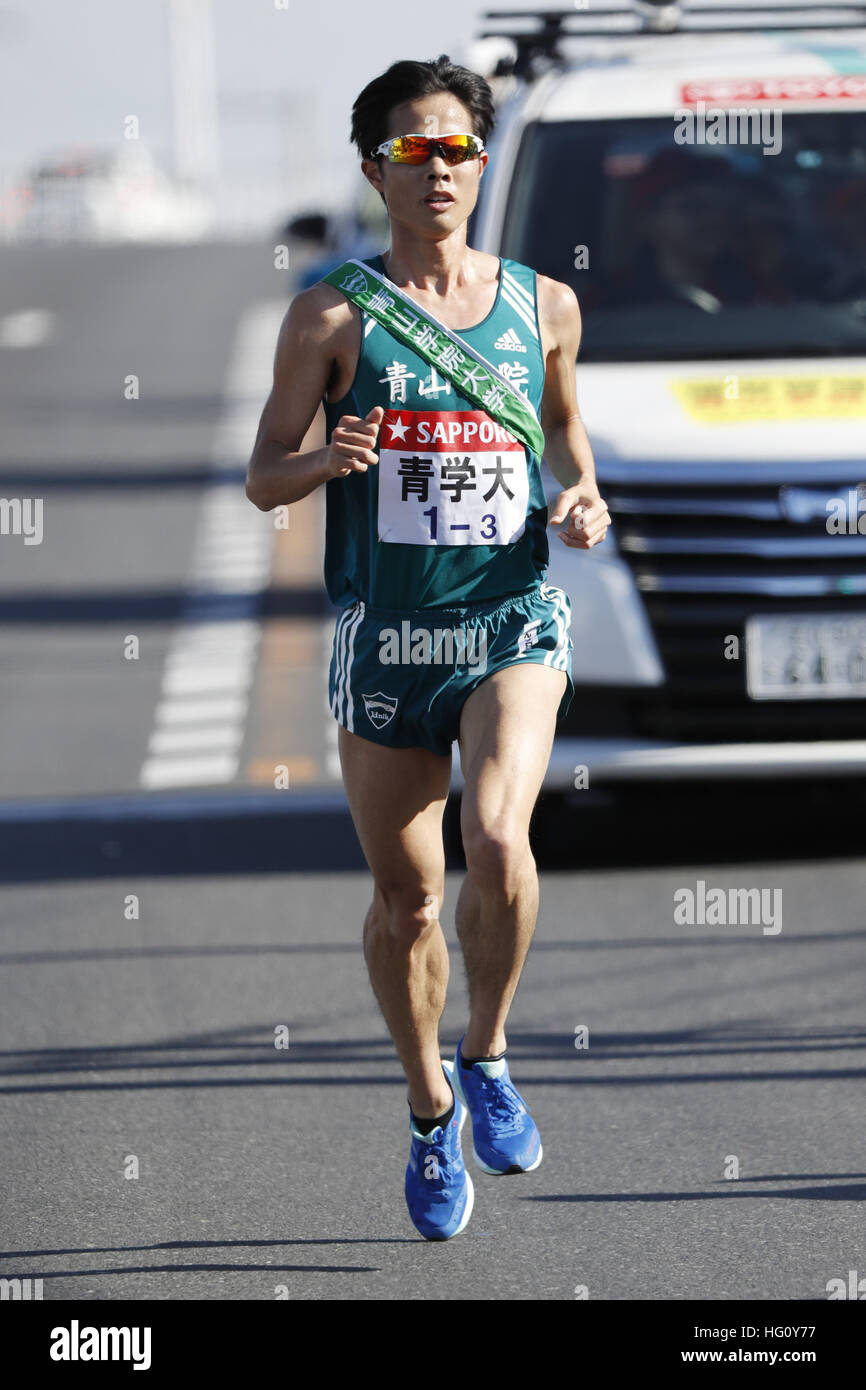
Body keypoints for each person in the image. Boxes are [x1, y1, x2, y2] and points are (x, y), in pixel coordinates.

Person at [246, 54, 610, 1241]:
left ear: (480, 161)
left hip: (508, 616)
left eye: (456, 148)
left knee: (496, 838)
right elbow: (263, 475)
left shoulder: (542, 304)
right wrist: (325, 462)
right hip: (387, 636)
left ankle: (491, 1053)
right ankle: (427, 1108)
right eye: (413, 150)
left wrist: (583, 496)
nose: (439, 168)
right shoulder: (332, 314)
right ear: (374, 169)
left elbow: (562, 436)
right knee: (406, 903)